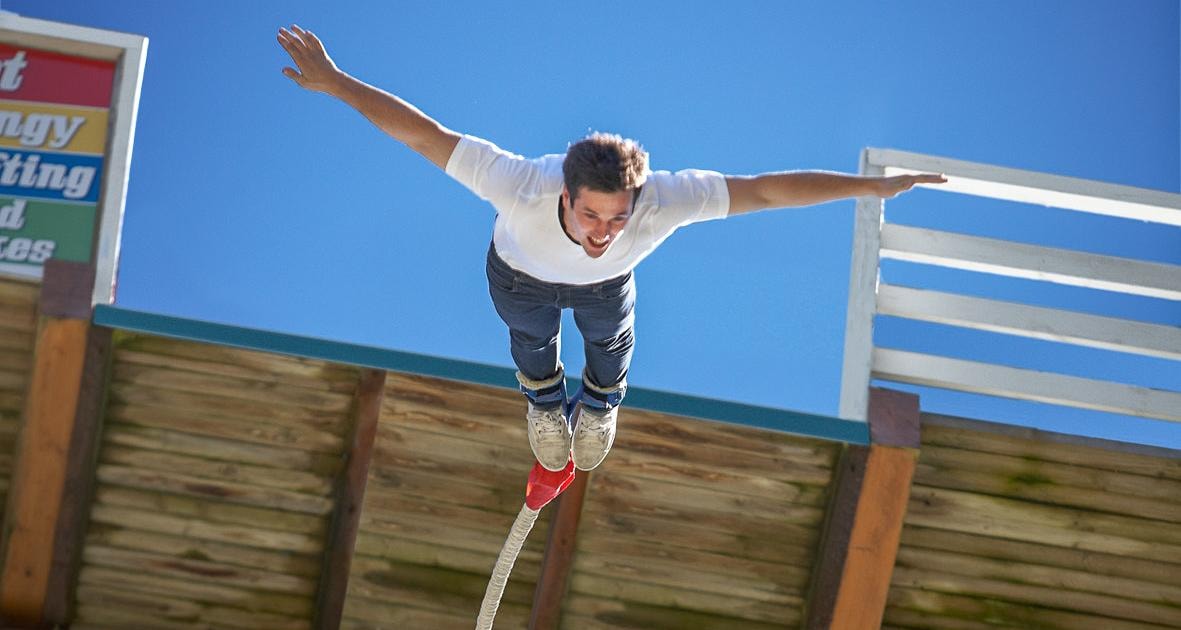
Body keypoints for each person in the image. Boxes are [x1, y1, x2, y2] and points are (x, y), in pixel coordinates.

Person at [277, 25, 945, 472]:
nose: (602, 230)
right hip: (520, 278)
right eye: (591, 215)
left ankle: (597, 408)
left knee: (611, 339)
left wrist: (871, 188)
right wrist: (337, 84)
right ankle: (544, 404)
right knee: (532, 342)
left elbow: (765, 191)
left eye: (616, 218)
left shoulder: (664, 198)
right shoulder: (520, 182)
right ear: (565, 195)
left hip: (602, 292)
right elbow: (421, 135)